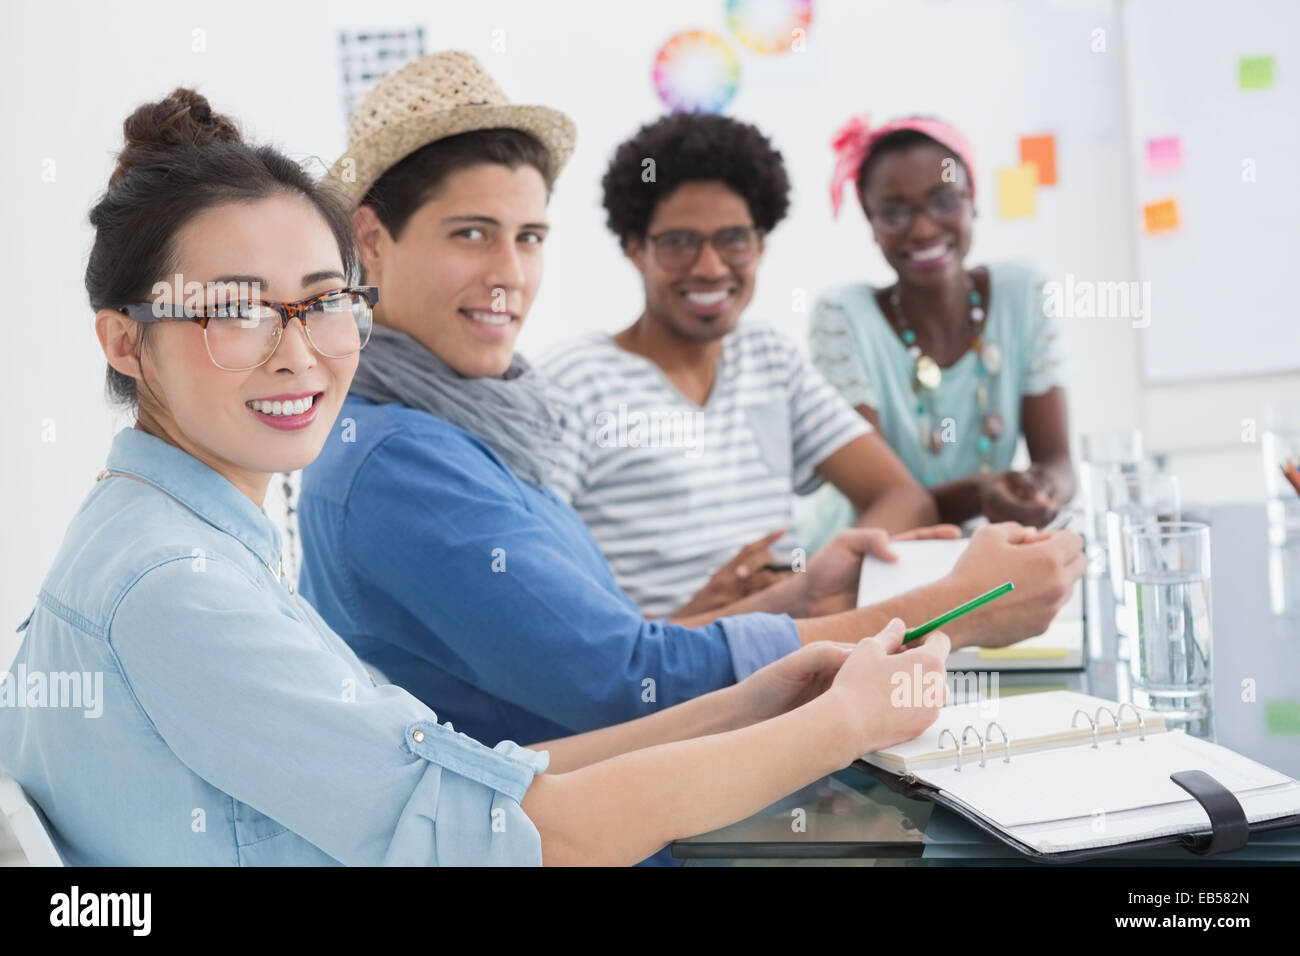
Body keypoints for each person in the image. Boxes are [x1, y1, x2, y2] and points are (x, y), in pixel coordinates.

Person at [0, 87, 955, 867]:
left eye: (324, 304)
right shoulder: (182, 584)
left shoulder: (182, 539)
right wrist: (843, 722)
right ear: (127, 342)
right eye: (239, 311)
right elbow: (527, 833)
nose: (298, 354)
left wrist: (758, 696)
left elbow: (475, 780)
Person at [297, 51, 1086, 761]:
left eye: (530, 237)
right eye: (472, 233)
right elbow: (628, 680)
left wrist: (796, 594)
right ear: (370, 241)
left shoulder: (478, 424)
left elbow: (606, 650)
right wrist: (960, 609)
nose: (510, 274)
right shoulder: (403, 461)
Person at [539, 113, 937, 618]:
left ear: (761, 245)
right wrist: (696, 619)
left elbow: (903, 496)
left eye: (734, 239)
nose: (710, 267)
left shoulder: (768, 358)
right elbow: (539, 604)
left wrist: (811, 580)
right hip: (661, 682)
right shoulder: (575, 382)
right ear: (635, 249)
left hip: (790, 669)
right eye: (680, 242)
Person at [800, 115, 1076, 552]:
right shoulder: (842, 317)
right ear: (870, 224)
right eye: (893, 212)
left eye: (943, 200)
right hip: (865, 560)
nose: (924, 228)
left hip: (976, 561)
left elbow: (1059, 462)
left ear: (973, 201)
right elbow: (885, 497)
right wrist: (983, 492)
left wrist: (1039, 487)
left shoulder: (1021, 292)